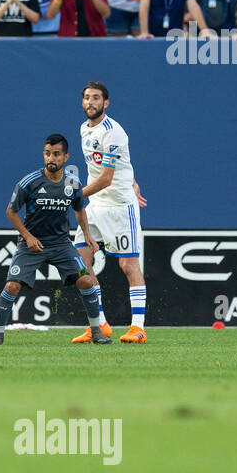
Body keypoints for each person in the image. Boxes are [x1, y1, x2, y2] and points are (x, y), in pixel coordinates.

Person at [0, 134, 107, 347]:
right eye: (47, 154)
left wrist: (88, 236)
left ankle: (97, 332)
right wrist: (28, 236)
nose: (50, 158)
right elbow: (11, 212)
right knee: (11, 286)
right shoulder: (30, 182)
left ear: (66, 157)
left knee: (86, 280)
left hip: (62, 245)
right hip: (31, 245)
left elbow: (79, 209)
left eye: (56, 154)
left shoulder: (72, 183)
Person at [73, 82, 147, 344]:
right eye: (86, 98)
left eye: (96, 98)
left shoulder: (113, 132)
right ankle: (99, 324)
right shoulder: (84, 128)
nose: (90, 102)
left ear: (106, 103)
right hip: (95, 207)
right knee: (81, 264)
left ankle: (138, 327)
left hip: (118, 206)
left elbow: (106, 178)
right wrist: (134, 180)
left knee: (128, 265)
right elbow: (116, 164)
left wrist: (77, 194)